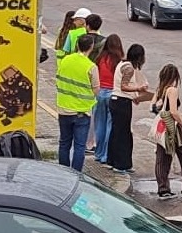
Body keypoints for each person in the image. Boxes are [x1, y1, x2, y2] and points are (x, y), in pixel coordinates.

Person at [55, 34, 100, 172]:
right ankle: (76, 174)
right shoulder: (91, 66)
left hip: (64, 109)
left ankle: (63, 172)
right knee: (79, 146)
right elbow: (96, 90)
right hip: (82, 112)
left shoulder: (66, 60)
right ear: (91, 47)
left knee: (64, 143)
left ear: (77, 45)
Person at [152, 64, 182, 199]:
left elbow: (153, 107)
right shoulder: (172, 90)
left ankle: (163, 188)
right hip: (173, 128)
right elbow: (173, 111)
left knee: (162, 158)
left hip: (162, 129)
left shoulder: (160, 89)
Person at [108, 44, 148, 174]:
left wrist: (135, 96)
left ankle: (113, 161)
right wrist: (139, 89)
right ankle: (121, 164)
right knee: (123, 134)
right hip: (122, 103)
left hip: (116, 101)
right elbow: (124, 86)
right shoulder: (129, 68)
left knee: (117, 132)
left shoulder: (122, 63)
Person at [92, 34, 123, 164]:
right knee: (110, 126)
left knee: (99, 125)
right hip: (112, 94)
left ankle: (98, 153)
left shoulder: (100, 58)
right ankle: (106, 155)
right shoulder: (118, 61)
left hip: (100, 92)